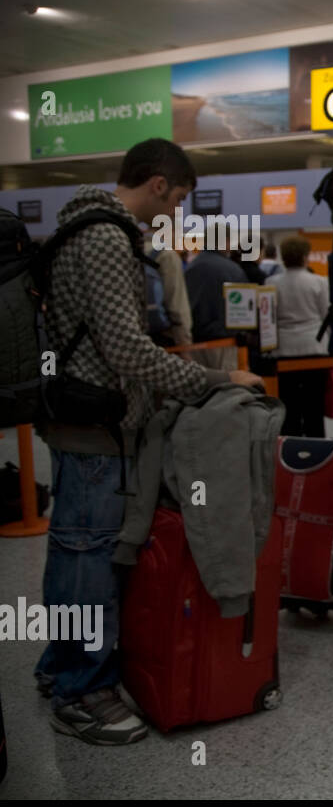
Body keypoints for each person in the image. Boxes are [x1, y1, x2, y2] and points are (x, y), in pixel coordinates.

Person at [34, 138, 262, 745]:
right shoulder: (108, 237)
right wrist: (213, 379)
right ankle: (83, 690)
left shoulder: (77, 227)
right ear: (158, 184)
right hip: (96, 424)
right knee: (87, 557)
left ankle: (60, 666)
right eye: (180, 197)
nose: (178, 212)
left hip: (79, 415)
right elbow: (125, 349)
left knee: (71, 550)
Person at [267, 237, 330, 437]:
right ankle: (317, 452)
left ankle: (290, 452)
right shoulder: (319, 281)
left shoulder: (271, 283)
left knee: (289, 408)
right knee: (314, 408)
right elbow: (325, 315)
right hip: (314, 348)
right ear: (305, 257)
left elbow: (270, 318)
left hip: (283, 350)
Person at [184, 232, 248, 371]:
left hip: (194, 342)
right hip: (224, 341)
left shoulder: (190, 268)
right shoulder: (233, 269)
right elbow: (245, 311)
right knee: (227, 386)